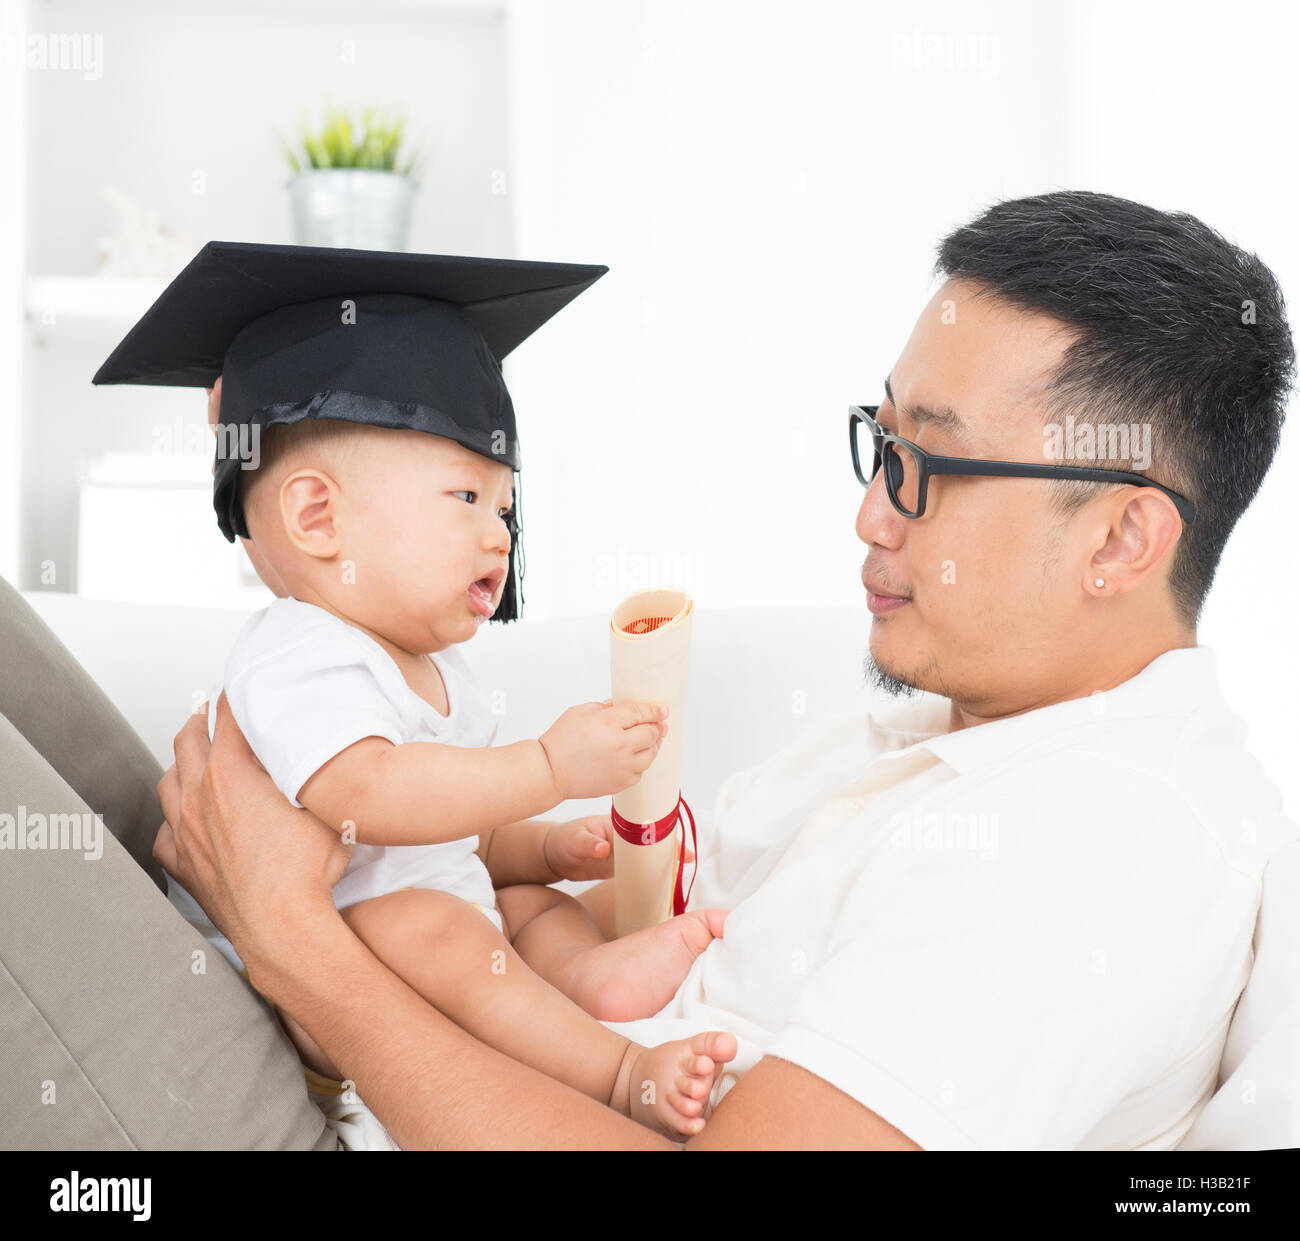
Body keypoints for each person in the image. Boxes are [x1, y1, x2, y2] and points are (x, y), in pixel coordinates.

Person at [156, 190, 1297, 1150]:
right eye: (879, 442)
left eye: (925, 464)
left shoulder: (1095, 835)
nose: (866, 514)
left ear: (1118, 539)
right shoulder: (923, 739)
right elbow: (587, 941)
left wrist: (287, 933)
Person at [97, 244, 737, 1140]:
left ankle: (590, 983)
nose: (499, 534)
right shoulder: (300, 652)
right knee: (450, 936)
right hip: (347, 950)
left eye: (504, 508)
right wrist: (548, 765)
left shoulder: (433, 669)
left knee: (522, 910)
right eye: (467, 496)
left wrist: (545, 848)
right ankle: (619, 1069)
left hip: (428, 913)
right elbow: (370, 796)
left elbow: (461, 825)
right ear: (319, 519)